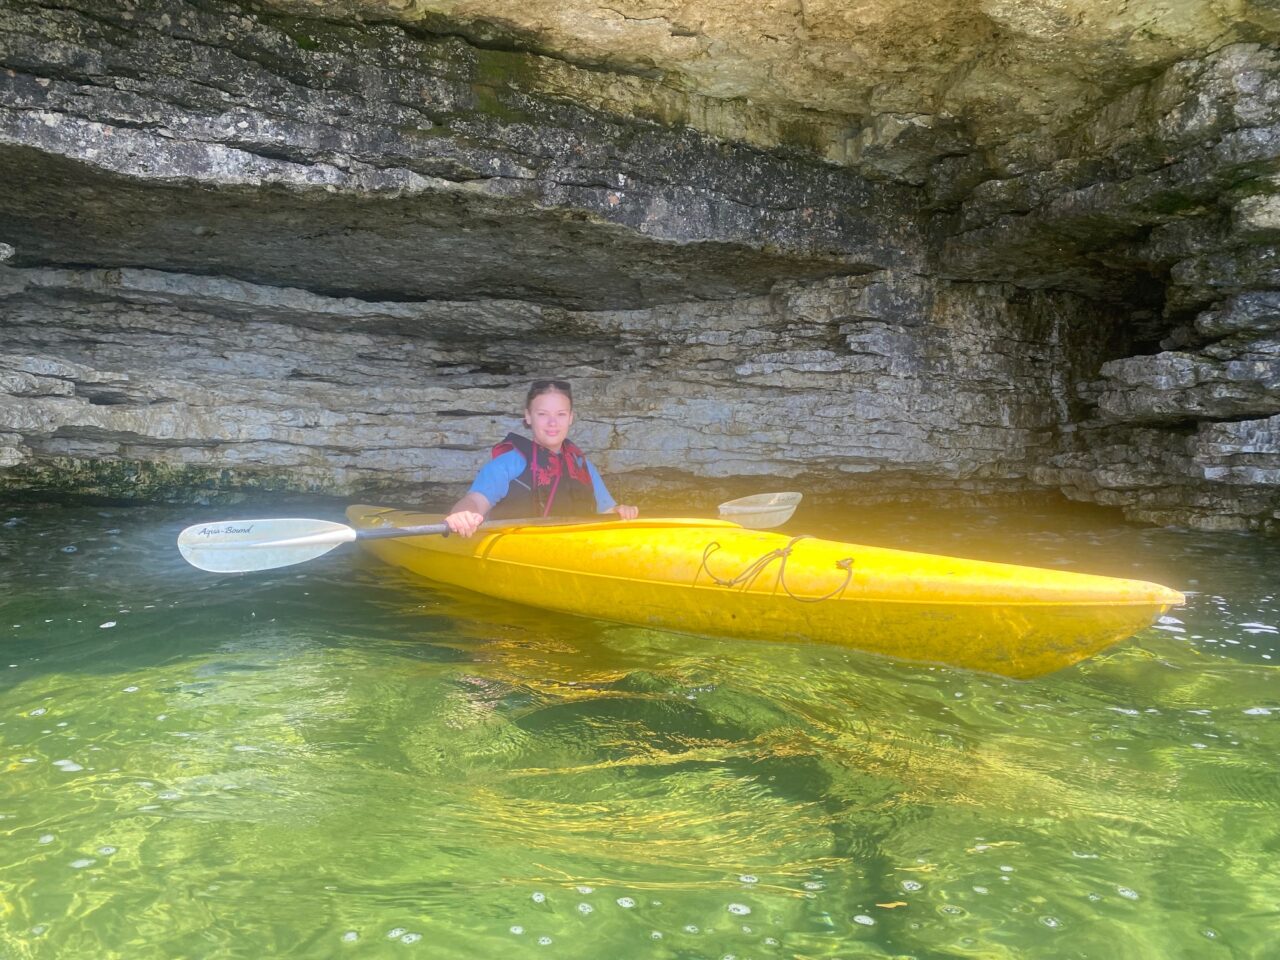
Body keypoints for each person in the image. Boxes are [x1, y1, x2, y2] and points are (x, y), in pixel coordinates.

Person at [444, 379, 639, 536]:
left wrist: (621, 511)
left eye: (561, 414)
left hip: (574, 546)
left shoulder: (582, 466)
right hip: (515, 549)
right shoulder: (508, 464)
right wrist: (463, 514)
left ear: (571, 417)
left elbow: (607, 511)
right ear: (528, 417)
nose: (553, 423)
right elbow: (475, 502)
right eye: (543, 414)